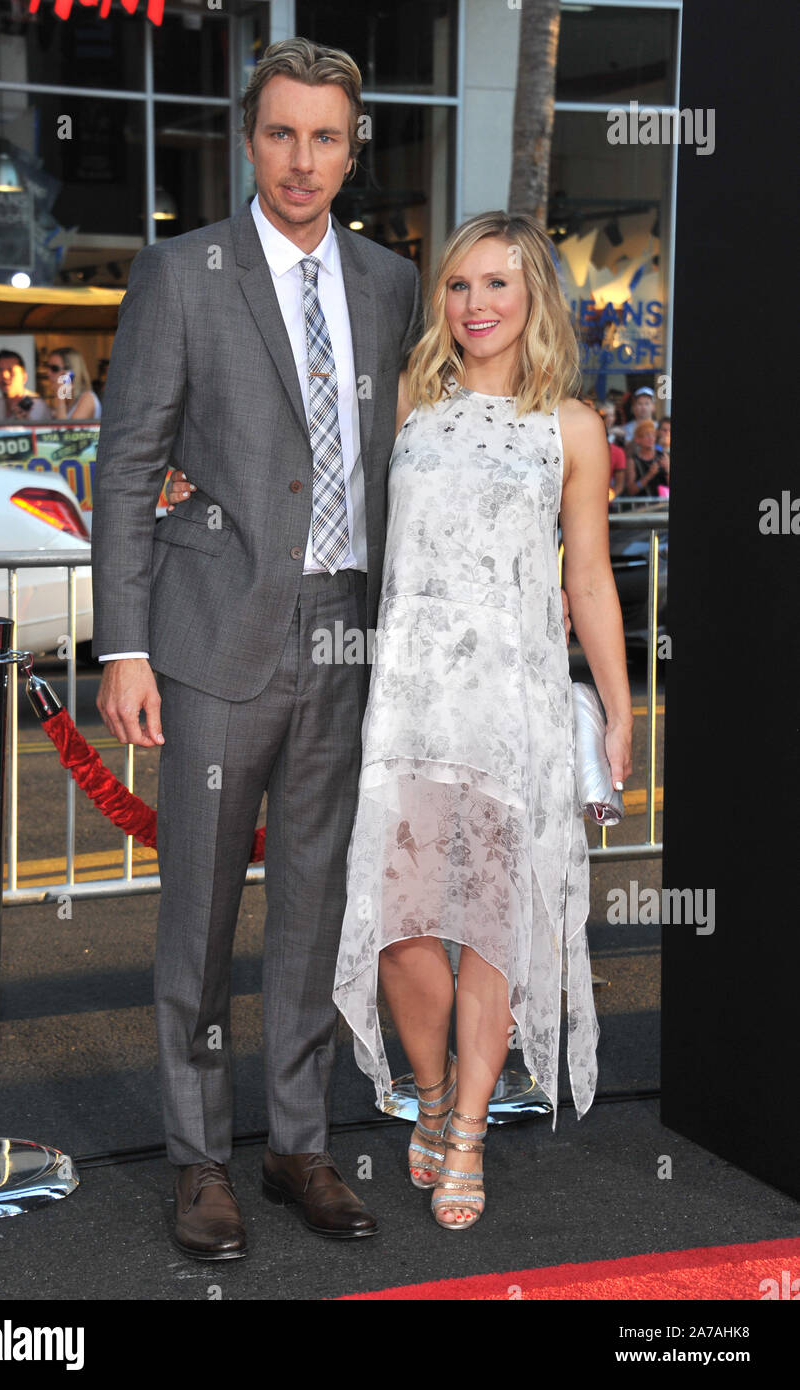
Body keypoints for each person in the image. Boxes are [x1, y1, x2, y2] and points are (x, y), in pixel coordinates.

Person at [170, 214, 633, 1232]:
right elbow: (305, 466)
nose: (476, 306)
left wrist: (619, 702)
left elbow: (591, 577)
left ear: (534, 299)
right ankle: (429, 1090)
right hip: (408, 697)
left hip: (512, 703)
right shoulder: (410, 402)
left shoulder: (573, 428)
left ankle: (464, 1130)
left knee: (497, 930)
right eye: (459, 286)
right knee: (397, 922)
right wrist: (197, 488)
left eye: (498, 286)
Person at [91, 38, 422, 1261]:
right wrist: (123, 647)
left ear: (352, 146)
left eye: (325, 137)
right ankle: (197, 1161)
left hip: (348, 634)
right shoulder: (185, 272)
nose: (302, 160)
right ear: (250, 138)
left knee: (316, 909)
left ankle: (296, 1146)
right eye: (281, 134)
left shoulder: (390, 284)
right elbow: (126, 466)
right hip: (212, 636)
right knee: (197, 915)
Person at [0, 349, 51, 423]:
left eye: (11, 370)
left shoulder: (36, 406)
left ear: (24, 377)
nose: (4, 375)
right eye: (0, 370)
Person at [45, 346, 102, 421]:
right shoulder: (66, 401)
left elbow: (66, 432)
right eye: (47, 367)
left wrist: (60, 397)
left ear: (70, 373)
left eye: (54, 369)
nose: (48, 373)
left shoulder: (88, 399)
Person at [625, 418, 668, 497]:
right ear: (638, 439)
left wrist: (667, 470)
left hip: (662, 507)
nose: (651, 438)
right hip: (642, 508)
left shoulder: (663, 456)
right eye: (646, 435)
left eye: (653, 435)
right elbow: (631, 491)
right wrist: (649, 475)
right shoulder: (632, 461)